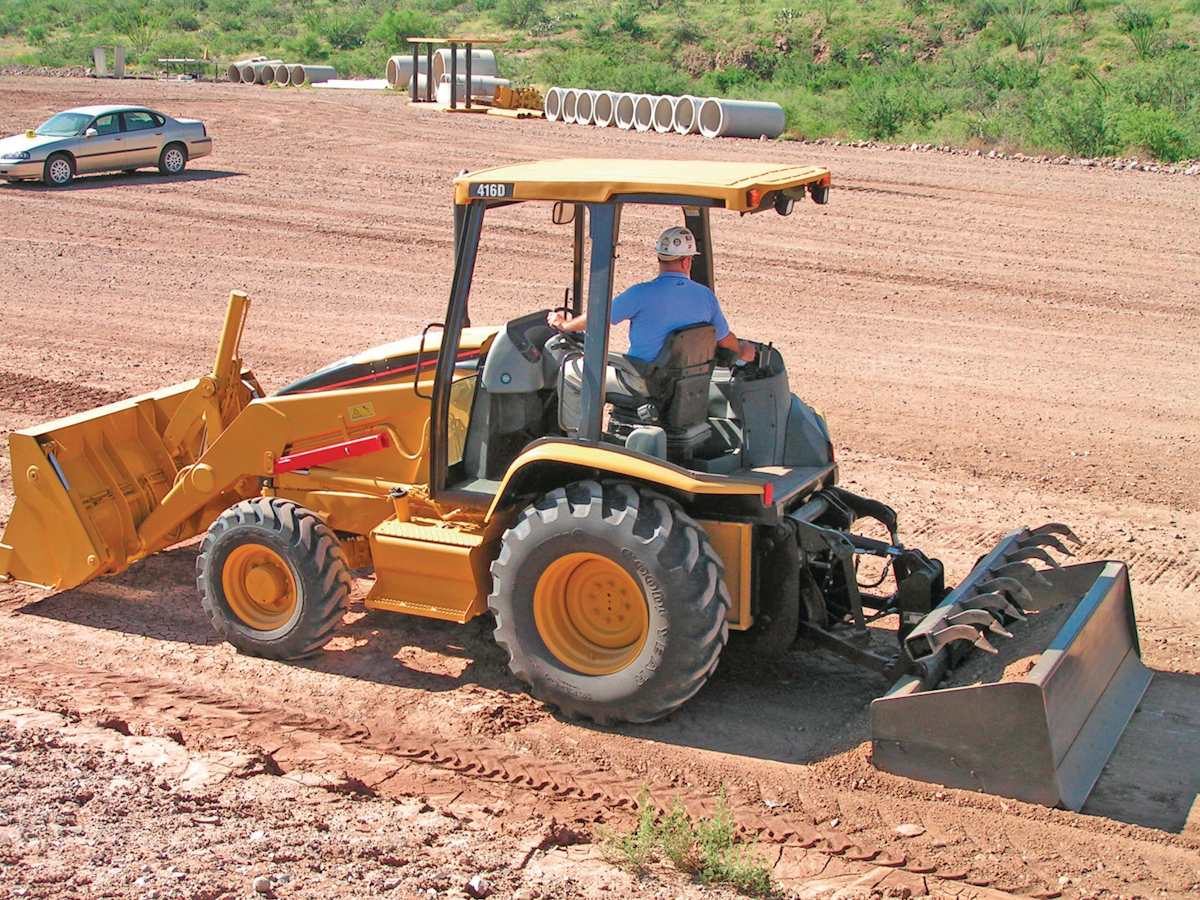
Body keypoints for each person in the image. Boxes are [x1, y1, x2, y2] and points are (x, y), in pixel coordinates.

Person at [546, 226, 757, 365]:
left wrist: (565, 325)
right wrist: (742, 350)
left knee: (572, 372)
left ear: (660, 259)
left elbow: (598, 318)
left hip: (642, 380)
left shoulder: (640, 293)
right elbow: (726, 342)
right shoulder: (706, 297)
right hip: (685, 383)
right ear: (686, 262)